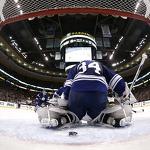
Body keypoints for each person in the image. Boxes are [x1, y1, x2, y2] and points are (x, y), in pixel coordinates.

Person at [61, 60, 132, 127]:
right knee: (99, 115)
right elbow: (116, 80)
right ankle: (109, 119)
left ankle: (65, 119)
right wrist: (123, 94)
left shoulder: (75, 67)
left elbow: (68, 85)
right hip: (98, 93)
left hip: (77, 94)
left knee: (74, 114)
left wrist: (66, 99)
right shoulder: (100, 65)